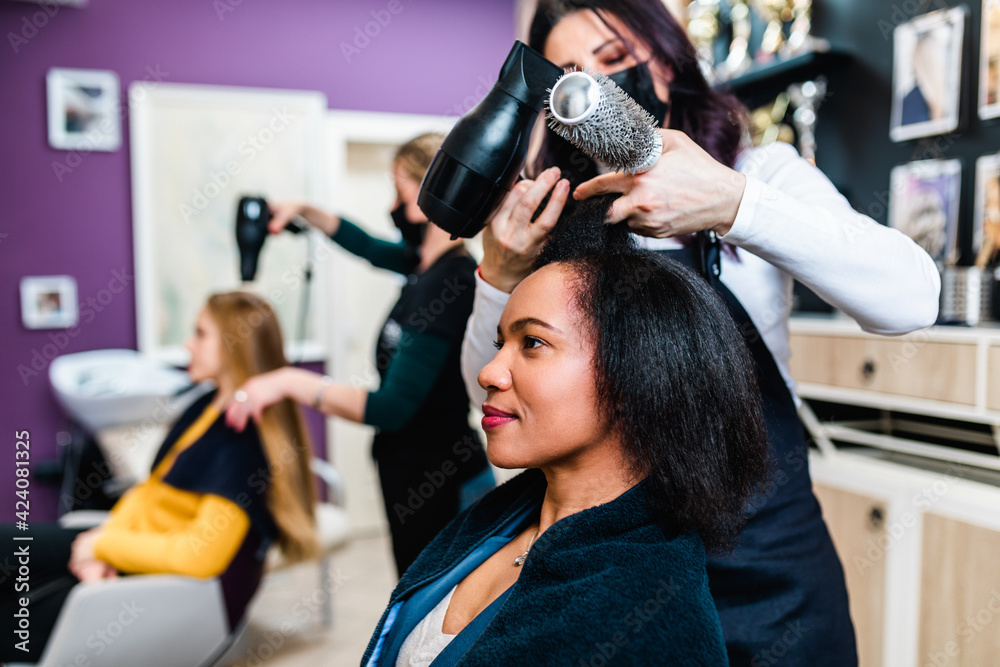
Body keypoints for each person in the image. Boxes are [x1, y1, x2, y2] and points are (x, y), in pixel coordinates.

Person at [459, 1, 941, 664]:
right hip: (614, 576)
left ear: (668, 54)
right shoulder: (556, 210)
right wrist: (499, 276)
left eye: (611, 58)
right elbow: (489, 398)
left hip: (769, 569)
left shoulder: (758, 170)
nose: (593, 84)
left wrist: (736, 204)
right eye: (570, 71)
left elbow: (912, 297)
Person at [361, 193, 770, 666]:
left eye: (532, 342)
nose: (489, 372)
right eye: (501, 343)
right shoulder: (499, 519)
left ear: (633, 375)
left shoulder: (650, 620)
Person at [226, 134, 493, 576]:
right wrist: (307, 212)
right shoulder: (420, 265)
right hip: (411, 469)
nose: (395, 205)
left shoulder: (451, 283)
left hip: (441, 476)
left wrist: (289, 381)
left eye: (401, 191)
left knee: (434, 607)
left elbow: (392, 408)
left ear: (434, 192)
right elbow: (368, 246)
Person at [0, 291, 317, 663]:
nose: (187, 344)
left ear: (236, 344)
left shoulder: (244, 444)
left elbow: (201, 554)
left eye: (200, 334)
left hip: (164, 578)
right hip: (131, 544)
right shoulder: (207, 405)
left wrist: (102, 548)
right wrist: (105, 542)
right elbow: (149, 493)